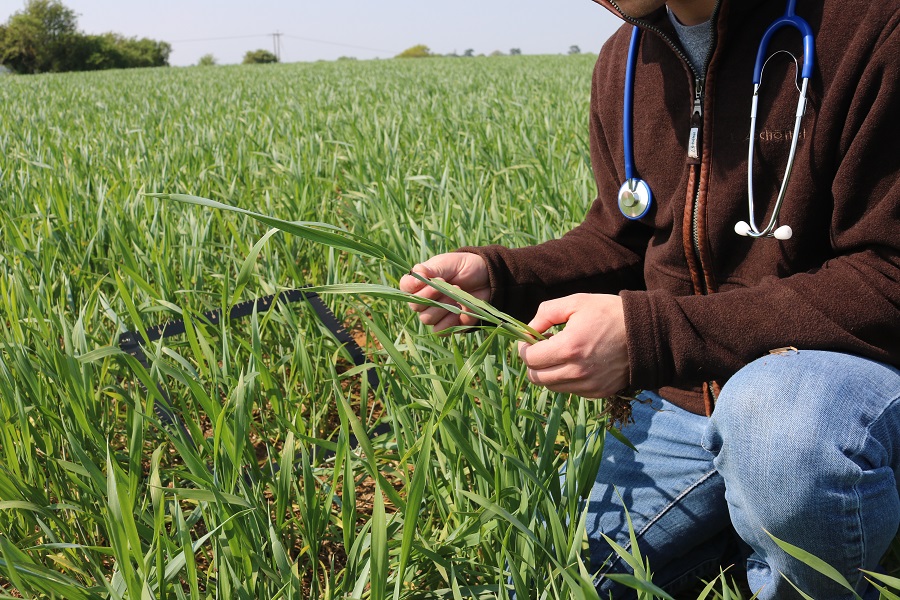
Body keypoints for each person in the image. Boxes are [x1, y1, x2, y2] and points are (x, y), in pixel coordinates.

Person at [399, 0, 900, 597]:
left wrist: (652, 336)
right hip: (684, 399)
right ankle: (748, 524)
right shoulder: (626, 57)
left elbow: (888, 275)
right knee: (548, 575)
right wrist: (503, 278)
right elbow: (623, 239)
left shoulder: (869, 24)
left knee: (778, 433)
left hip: (830, 386)